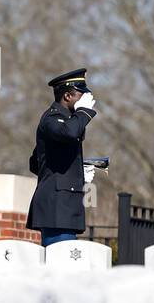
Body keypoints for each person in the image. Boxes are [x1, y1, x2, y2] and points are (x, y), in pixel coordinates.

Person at [26, 67, 99, 246]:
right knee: (59, 265)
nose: (86, 102)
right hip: (57, 208)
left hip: (63, 206)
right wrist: (83, 112)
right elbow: (70, 132)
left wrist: (77, 172)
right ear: (67, 96)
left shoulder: (66, 121)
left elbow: (37, 163)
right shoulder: (52, 119)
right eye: (80, 96)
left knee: (65, 264)